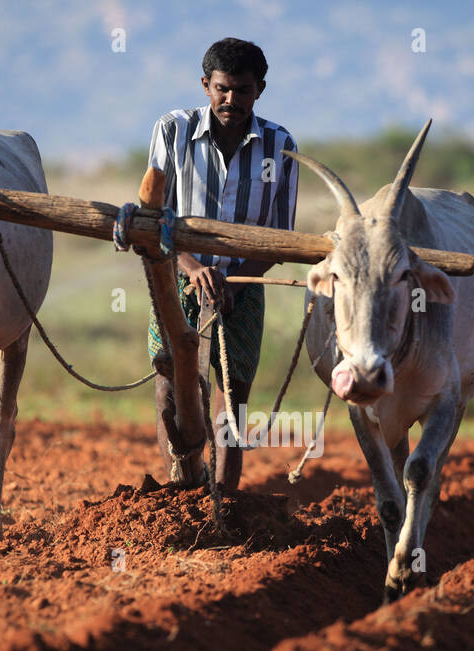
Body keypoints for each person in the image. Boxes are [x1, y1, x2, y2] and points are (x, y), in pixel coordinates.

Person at [145, 37, 298, 491]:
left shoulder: (279, 145)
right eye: (222, 89)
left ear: (260, 90)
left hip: (245, 284)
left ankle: (226, 496)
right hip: (176, 277)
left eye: (243, 90)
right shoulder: (172, 131)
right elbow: (152, 215)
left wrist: (231, 281)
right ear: (205, 85)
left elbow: (280, 238)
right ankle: (183, 482)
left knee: (234, 392)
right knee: (169, 379)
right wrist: (191, 267)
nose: (231, 100)